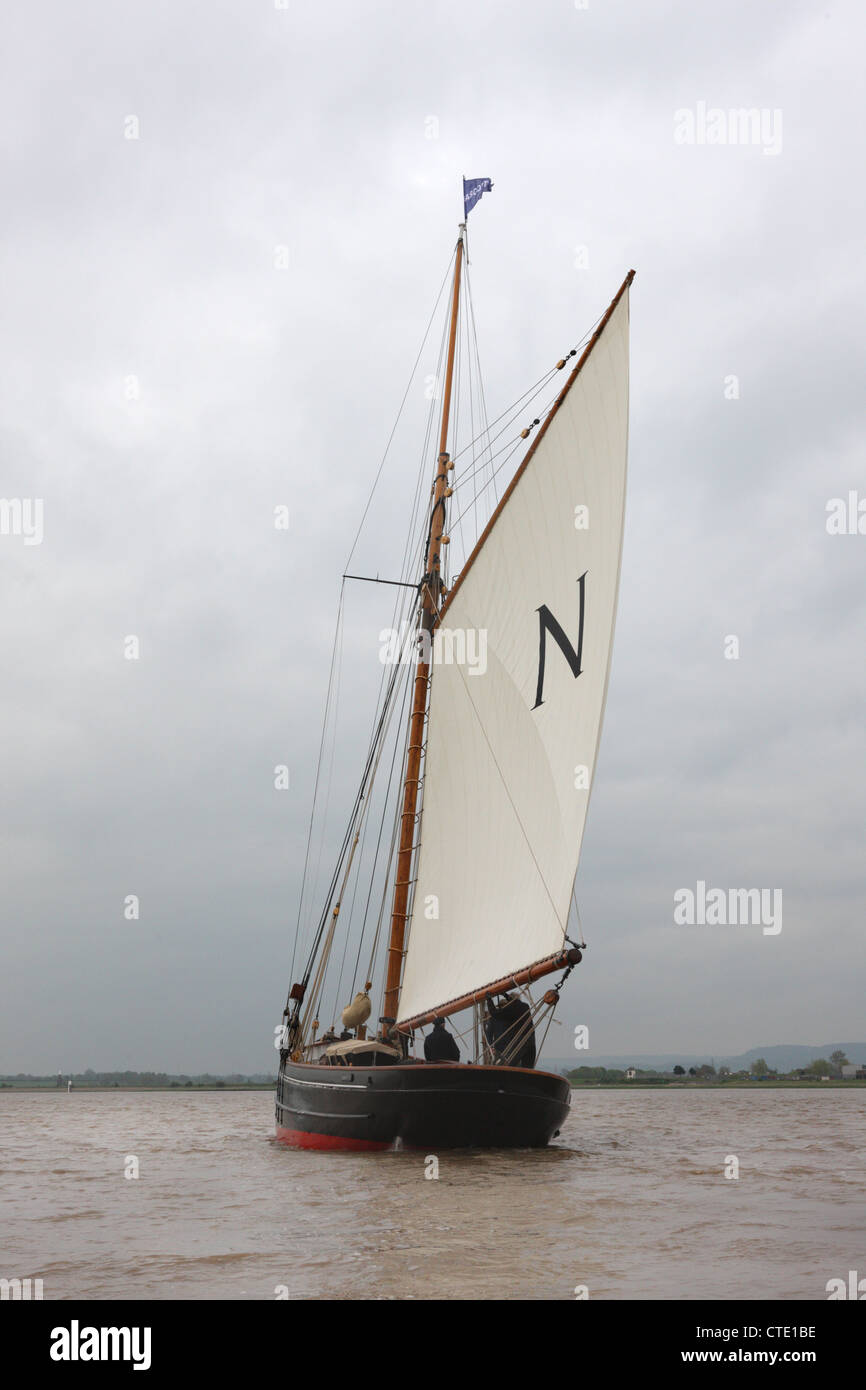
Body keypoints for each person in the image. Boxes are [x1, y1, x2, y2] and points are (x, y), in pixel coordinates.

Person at [484, 993, 536, 1068]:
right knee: (527, 1068)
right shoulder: (525, 1006)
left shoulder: (508, 1012)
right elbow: (515, 1003)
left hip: (515, 1045)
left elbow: (494, 1013)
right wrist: (506, 995)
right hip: (530, 1042)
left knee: (506, 1066)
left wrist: (489, 1000)